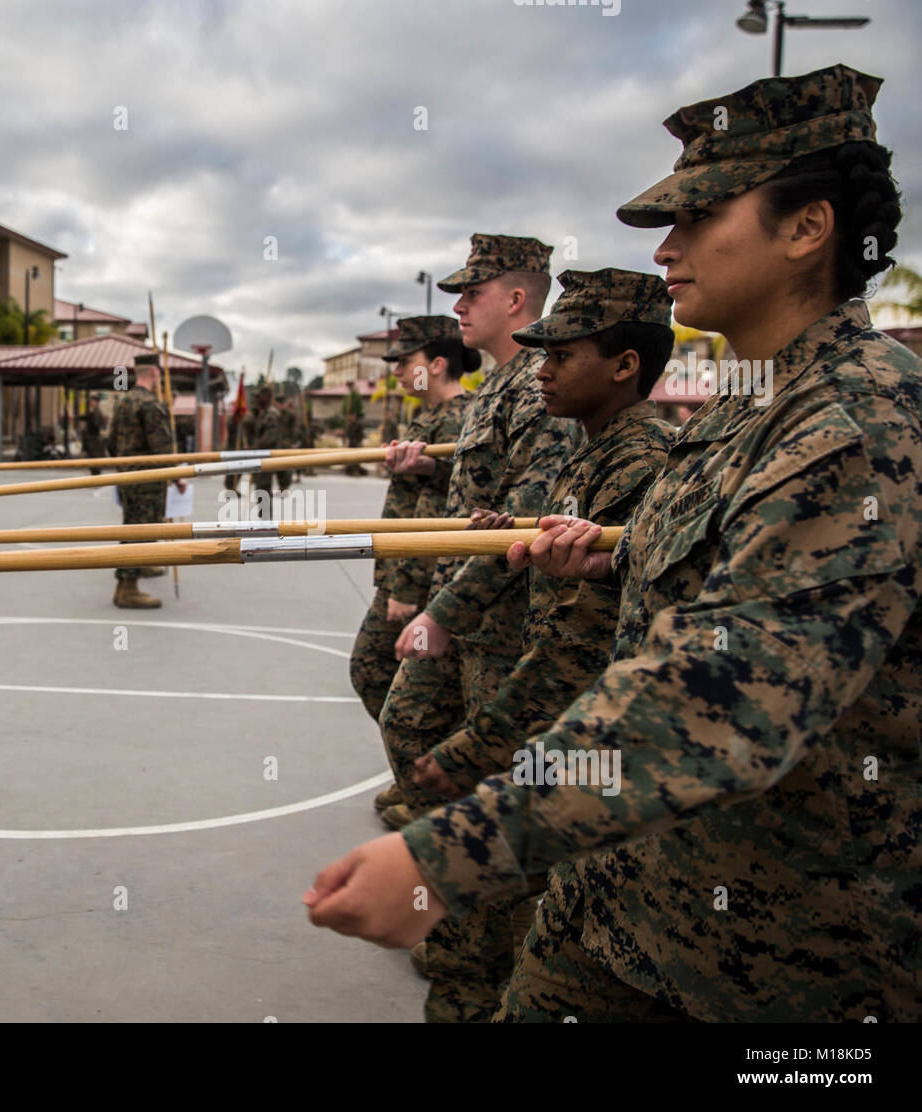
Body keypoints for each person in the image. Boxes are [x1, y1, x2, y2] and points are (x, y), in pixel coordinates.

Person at [306, 64, 922, 1024]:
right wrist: (624, 549)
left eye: (699, 216)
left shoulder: (855, 421)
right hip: (631, 896)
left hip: (777, 958)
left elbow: (724, 698)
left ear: (808, 229)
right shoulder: (757, 398)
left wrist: (451, 850)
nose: (670, 248)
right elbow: (735, 562)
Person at [407, 269, 677, 1021]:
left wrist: (471, 749)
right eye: (542, 354)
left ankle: (469, 983)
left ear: (625, 366)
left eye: (564, 355)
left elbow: (577, 649)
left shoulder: (638, 461)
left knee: (510, 891)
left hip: (591, 741)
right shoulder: (597, 451)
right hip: (570, 731)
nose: (545, 371)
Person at [348, 316, 472, 811]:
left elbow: (442, 512)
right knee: (393, 682)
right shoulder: (429, 417)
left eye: (405, 361)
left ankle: (432, 791)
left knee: (378, 671)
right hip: (404, 570)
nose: (396, 371)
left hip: (423, 579)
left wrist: (407, 586)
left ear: (437, 364)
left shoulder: (461, 418)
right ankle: (420, 779)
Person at [107, 353, 184, 608]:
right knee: (140, 531)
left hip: (128, 477)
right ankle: (127, 588)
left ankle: (138, 568)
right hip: (148, 480)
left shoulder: (124, 401)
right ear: (154, 373)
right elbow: (162, 447)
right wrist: (177, 477)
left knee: (132, 527)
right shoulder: (151, 404)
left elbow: (111, 442)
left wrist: (123, 465)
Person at [247, 384, 280, 518]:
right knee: (260, 488)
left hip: (265, 457)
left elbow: (269, 439)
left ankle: (267, 520)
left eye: (259, 397)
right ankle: (264, 517)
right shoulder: (263, 414)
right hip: (260, 457)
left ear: (266, 397)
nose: (257, 399)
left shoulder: (271, 415)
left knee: (263, 488)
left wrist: (254, 448)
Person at [81, 395, 107, 475]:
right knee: (92, 457)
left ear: (96, 403)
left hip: (94, 439)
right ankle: (95, 474)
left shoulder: (96, 412)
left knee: (94, 457)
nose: (91, 403)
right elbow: (86, 417)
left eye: (92, 401)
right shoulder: (93, 412)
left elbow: (98, 425)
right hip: (92, 439)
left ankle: (96, 475)